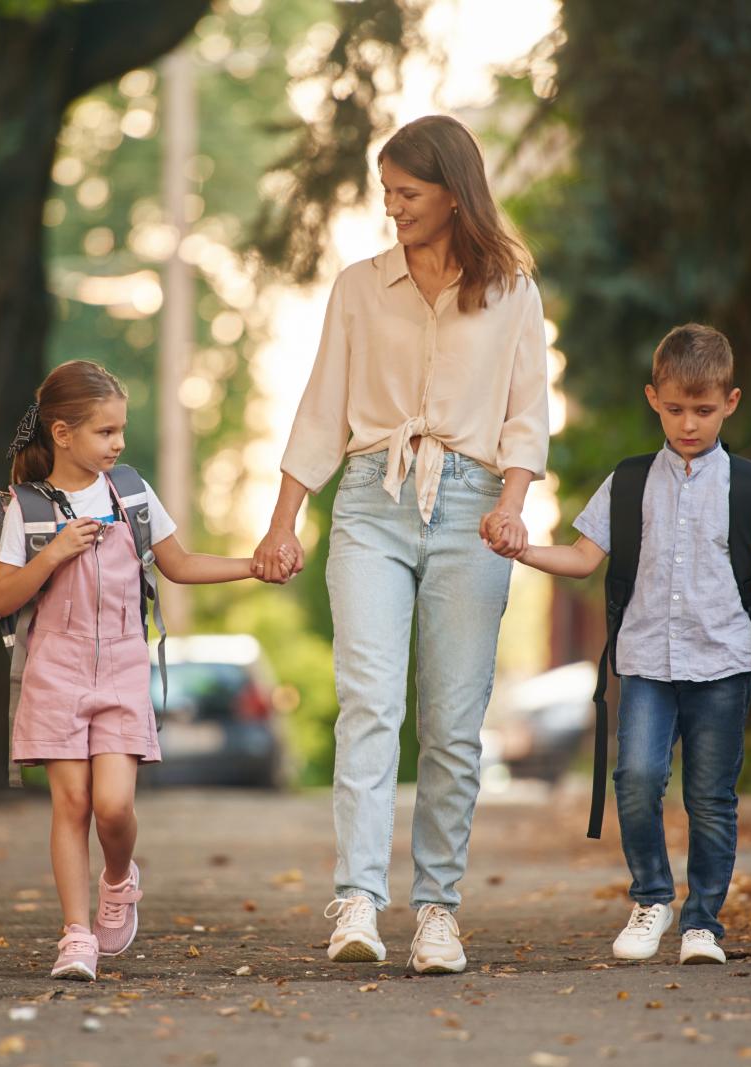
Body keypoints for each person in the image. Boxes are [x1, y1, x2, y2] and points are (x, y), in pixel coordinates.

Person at [251, 115, 549, 974]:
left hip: (470, 506)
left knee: (453, 724)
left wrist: (513, 503)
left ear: (454, 193)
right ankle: (357, 899)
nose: (394, 209)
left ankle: (438, 912)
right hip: (370, 503)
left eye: (408, 194)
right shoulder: (358, 287)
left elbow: (527, 414)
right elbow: (320, 406)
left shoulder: (512, 291)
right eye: (387, 193)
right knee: (369, 703)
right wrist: (284, 518)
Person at [490, 324, 751, 965]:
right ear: (653, 398)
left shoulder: (749, 487)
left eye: (704, 411)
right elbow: (581, 558)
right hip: (647, 665)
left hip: (725, 665)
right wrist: (522, 547)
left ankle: (702, 922)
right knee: (636, 778)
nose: (690, 424)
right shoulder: (628, 483)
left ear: (730, 403)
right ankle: (652, 897)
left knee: (711, 797)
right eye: (677, 409)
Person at [0, 359, 275, 981]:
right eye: (105, 432)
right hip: (55, 670)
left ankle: (118, 878)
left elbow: (179, 564)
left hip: (122, 665)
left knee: (114, 808)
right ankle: (76, 936)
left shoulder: (135, 493)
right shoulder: (28, 508)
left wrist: (251, 566)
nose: (117, 443)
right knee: (71, 804)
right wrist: (55, 553)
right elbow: (1, 597)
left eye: (120, 431)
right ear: (63, 434)